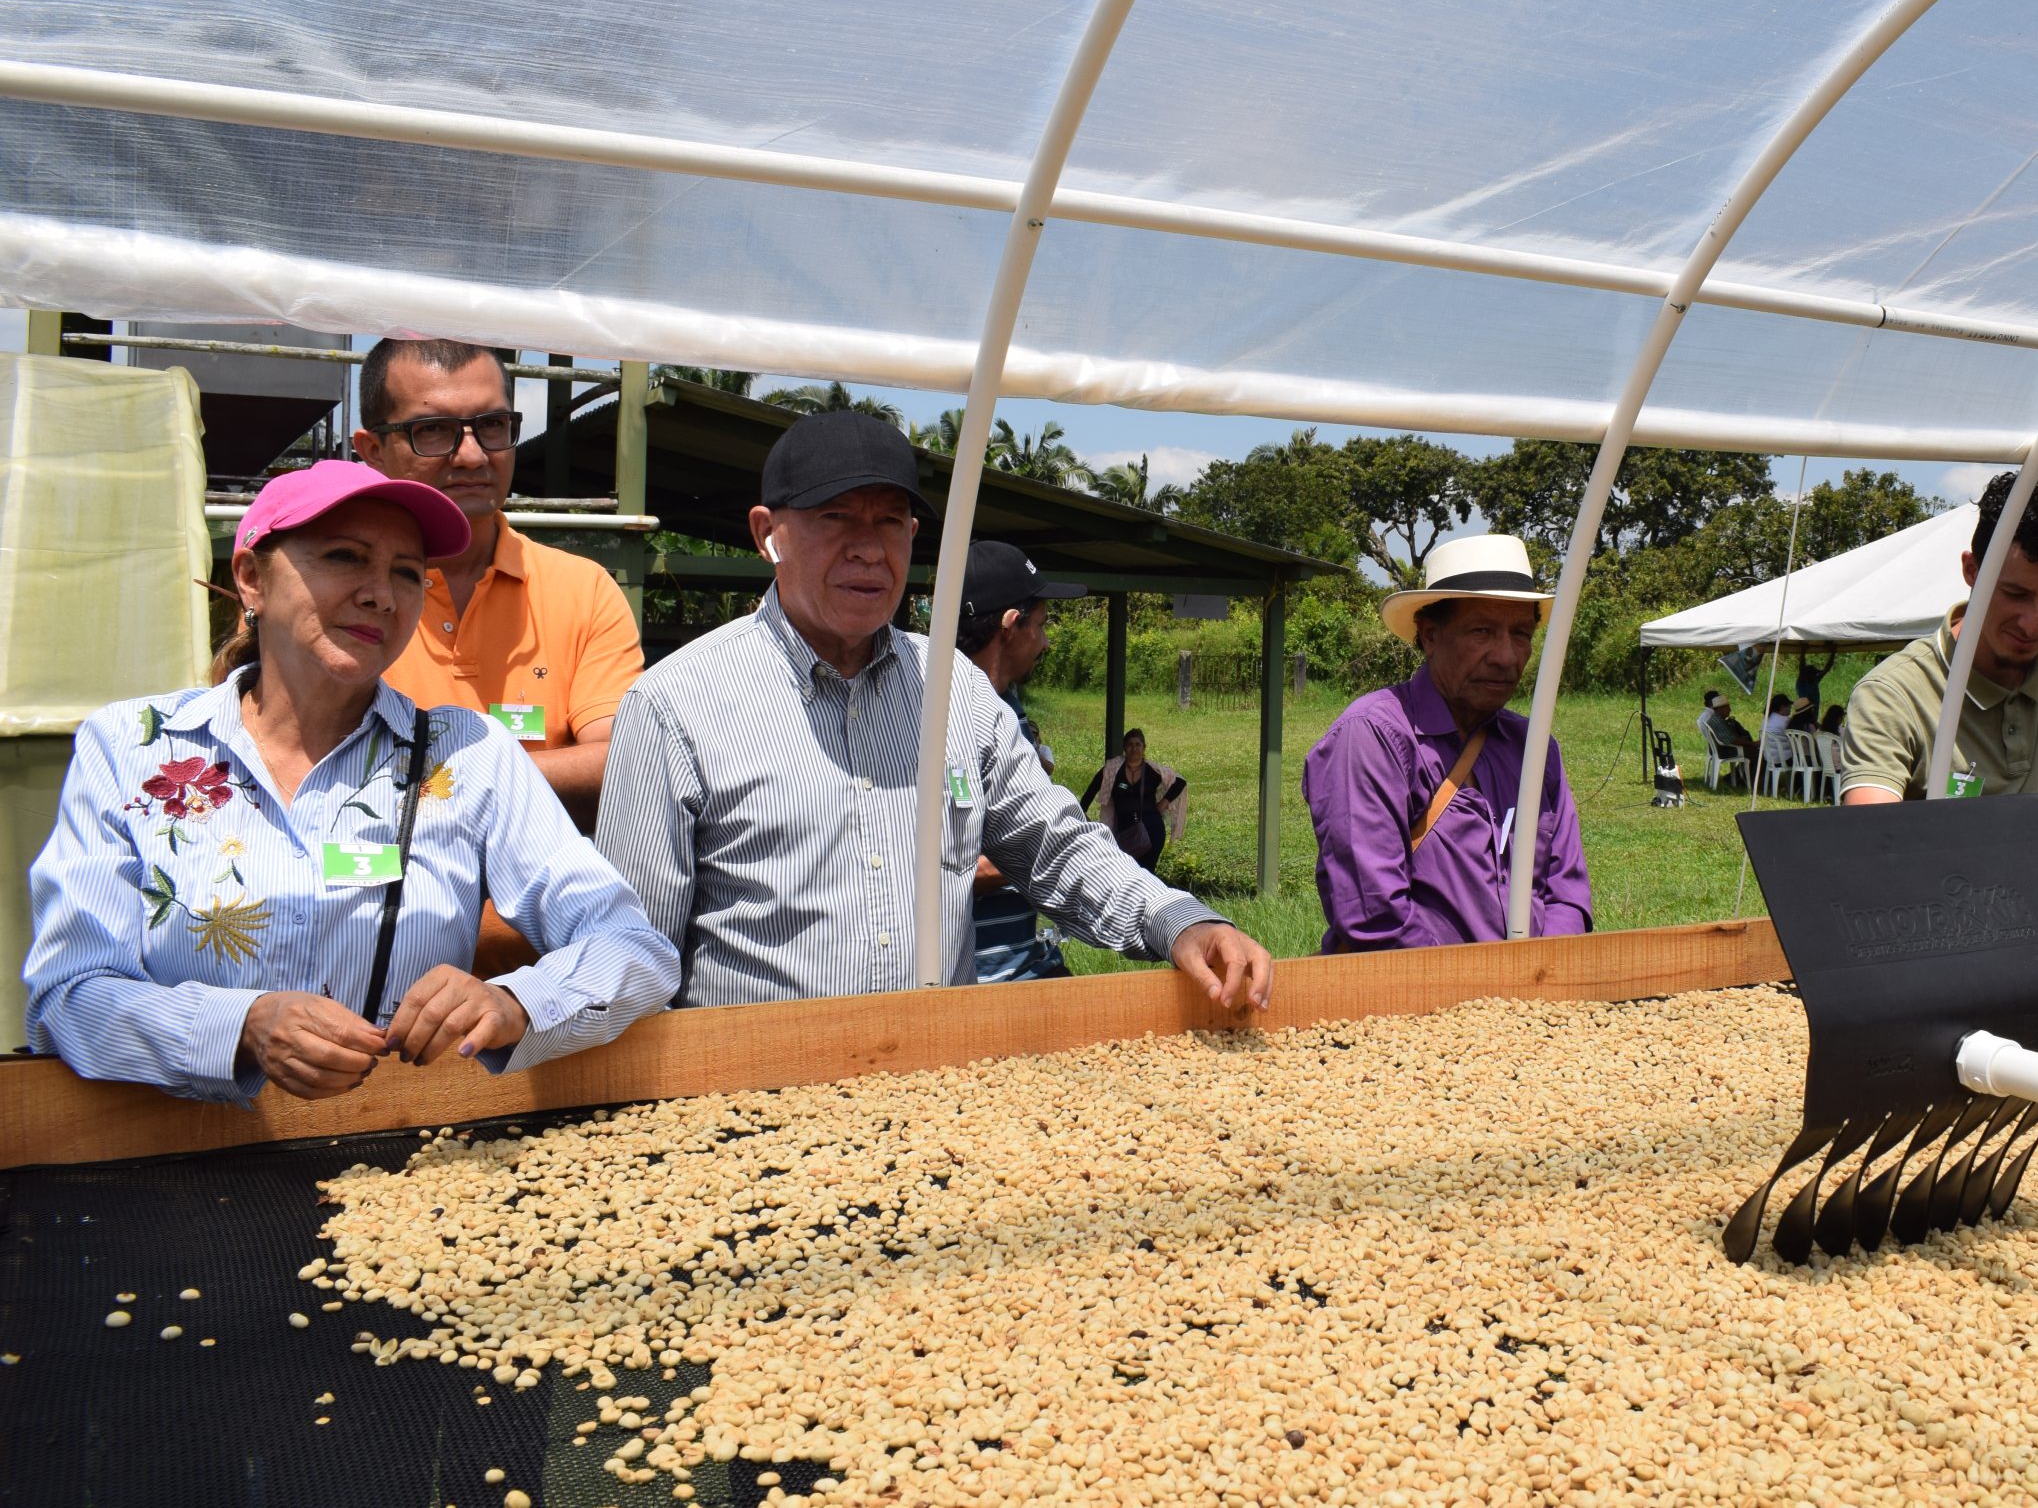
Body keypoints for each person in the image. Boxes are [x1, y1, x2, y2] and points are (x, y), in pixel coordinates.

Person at [24, 462, 676, 1104]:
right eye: (345, 557)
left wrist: (515, 1001)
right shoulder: (131, 747)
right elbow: (69, 996)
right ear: (251, 577)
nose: (381, 594)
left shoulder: (468, 755)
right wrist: (243, 1027)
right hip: (174, 1165)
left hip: (402, 1159)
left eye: (405, 572)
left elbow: (633, 947)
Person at [594, 411, 1273, 1007]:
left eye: (889, 520)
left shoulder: (955, 691)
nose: (868, 545)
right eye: (835, 516)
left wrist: (1180, 919)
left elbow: (1055, 846)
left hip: (938, 1111)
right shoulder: (674, 707)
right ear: (768, 533)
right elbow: (630, 953)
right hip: (758, 1120)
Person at [353, 338, 642, 831]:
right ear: (373, 450)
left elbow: (621, 761)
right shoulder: (338, 590)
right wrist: (527, 773)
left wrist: (435, 775)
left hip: (534, 910)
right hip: (369, 900)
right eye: (433, 430)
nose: (471, 455)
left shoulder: (581, 589)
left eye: (490, 425)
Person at [1304, 534, 1591, 950]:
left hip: (1537, 999)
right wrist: (1483, 996)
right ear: (1430, 636)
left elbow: (1567, 896)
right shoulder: (1372, 738)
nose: (1506, 657)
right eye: (1482, 631)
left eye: (1521, 634)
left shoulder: (1534, 749)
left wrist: (1541, 980)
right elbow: (1375, 920)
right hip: (1417, 1004)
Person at [1838, 471, 2038, 881]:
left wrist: (2021, 896)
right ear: (1971, 569)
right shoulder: (1892, 693)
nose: (2033, 623)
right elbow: (1878, 846)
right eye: (2015, 593)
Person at [955, 539, 1085, 983]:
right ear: (1011, 624)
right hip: (981, 979)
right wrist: (1036, 849)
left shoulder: (1011, 706)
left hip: (1027, 961)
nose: (1046, 643)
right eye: (1042, 625)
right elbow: (918, 869)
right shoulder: (933, 719)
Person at [1083, 729, 1188, 871]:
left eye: (1138, 744)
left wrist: (1164, 803)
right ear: (1124, 748)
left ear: (1144, 748)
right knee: (1127, 871)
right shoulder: (1112, 770)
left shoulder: (1153, 771)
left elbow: (1180, 782)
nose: (1134, 748)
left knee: (1148, 872)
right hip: (1124, 829)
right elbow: (1091, 791)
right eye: (1130, 744)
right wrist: (1082, 815)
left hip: (1152, 828)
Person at [1697, 689, 1756, 763]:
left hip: (1719, 748)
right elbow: (1733, 740)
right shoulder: (1717, 720)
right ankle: (1752, 774)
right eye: (1727, 707)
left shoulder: (1715, 717)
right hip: (1724, 750)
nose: (1730, 710)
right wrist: (1753, 743)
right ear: (1720, 709)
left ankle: (1742, 773)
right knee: (1756, 752)